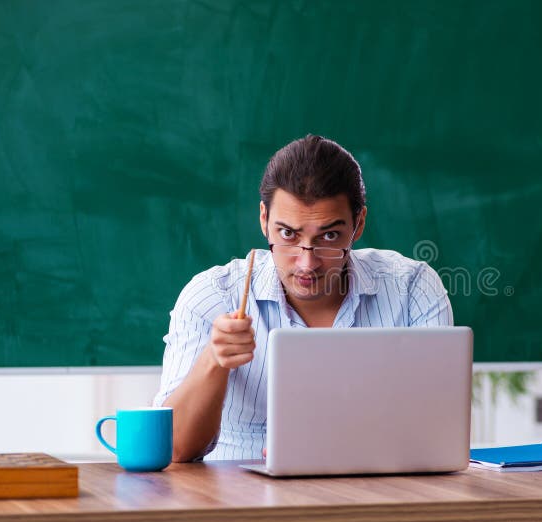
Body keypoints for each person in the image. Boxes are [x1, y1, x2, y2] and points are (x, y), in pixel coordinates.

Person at [153, 135, 453, 461]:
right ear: (264, 220)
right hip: (236, 501)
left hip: (375, 497)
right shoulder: (212, 296)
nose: (307, 263)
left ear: (359, 224)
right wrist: (214, 358)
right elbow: (173, 448)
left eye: (328, 236)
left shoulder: (412, 289)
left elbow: (437, 433)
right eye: (288, 234)